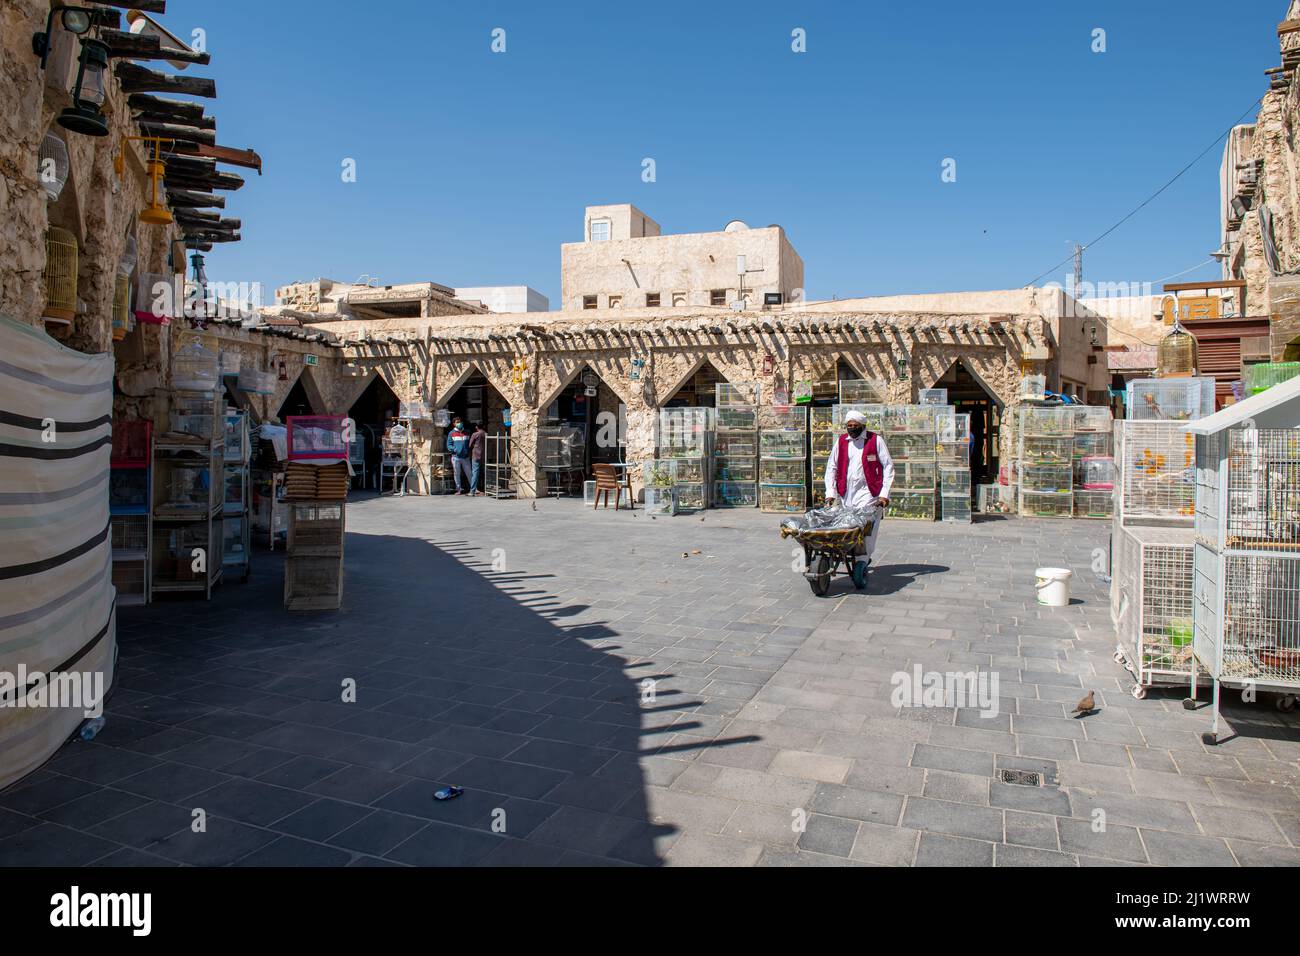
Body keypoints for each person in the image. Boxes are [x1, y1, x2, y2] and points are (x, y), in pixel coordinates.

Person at [823, 409, 894, 588]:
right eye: (849, 426)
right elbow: (831, 467)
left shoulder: (875, 441)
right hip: (846, 494)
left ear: (863, 426)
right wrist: (830, 493)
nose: (852, 429)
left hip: (870, 494)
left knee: (866, 529)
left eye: (855, 426)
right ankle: (851, 554)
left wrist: (884, 494)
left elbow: (888, 467)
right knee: (849, 527)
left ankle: (862, 559)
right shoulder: (841, 442)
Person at [446, 416, 472, 494]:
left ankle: (473, 488)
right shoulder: (451, 433)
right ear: (454, 424)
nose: (459, 423)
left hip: (465, 457)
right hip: (456, 457)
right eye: (457, 422)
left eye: (460, 421)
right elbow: (449, 445)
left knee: (469, 473)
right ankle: (458, 489)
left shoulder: (467, 432)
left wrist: (468, 451)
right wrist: (454, 449)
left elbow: (470, 443)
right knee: (457, 473)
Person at [467, 422, 487, 496]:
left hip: (476, 455)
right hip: (484, 455)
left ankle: (472, 490)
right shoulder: (486, 434)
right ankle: (486, 489)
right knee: (485, 472)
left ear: (476, 427)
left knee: (475, 472)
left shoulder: (475, 434)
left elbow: (470, 445)